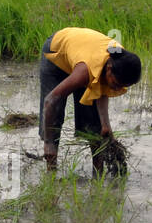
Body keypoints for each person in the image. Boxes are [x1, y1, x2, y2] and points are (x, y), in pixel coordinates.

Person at [38, 27, 142, 174]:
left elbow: (102, 88)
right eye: (117, 84)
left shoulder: (120, 59)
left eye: (122, 87)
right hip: (56, 52)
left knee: (95, 125)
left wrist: (106, 126)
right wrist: (48, 143)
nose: (117, 89)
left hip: (82, 53)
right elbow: (50, 100)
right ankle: (51, 175)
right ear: (109, 69)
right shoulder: (85, 71)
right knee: (54, 115)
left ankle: (97, 176)